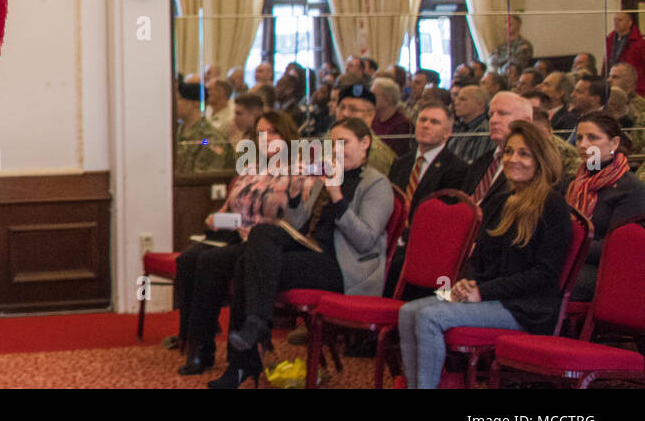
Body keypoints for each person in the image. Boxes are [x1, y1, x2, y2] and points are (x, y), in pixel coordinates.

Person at [211, 118, 393, 389]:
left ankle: (244, 359)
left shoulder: (376, 185)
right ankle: (255, 327)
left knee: (246, 264)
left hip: (343, 266)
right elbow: (297, 226)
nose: (336, 150)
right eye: (332, 144)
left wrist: (337, 198)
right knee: (259, 237)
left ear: (365, 143)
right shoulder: (327, 176)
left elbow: (365, 240)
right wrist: (295, 198)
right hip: (310, 250)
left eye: (343, 143)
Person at [396, 121, 572, 389]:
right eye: (510, 152)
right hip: (488, 294)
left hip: (524, 308)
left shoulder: (553, 205)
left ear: (541, 160)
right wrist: (467, 283)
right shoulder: (500, 198)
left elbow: (544, 274)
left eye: (524, 154)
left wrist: (482, 292)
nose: (513, 159)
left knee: (429, 317)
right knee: (408, 311)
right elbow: (477, 257)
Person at [173, 111, 314, 375]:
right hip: (236, 232)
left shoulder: (299, 169)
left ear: (287, 136)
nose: (266, 139)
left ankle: (211, 350)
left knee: (208, 261)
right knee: (190, 258)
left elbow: (288, 217)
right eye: (260, 134)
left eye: (273, 133)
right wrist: (220, 217)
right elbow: (234, 207)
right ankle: (198, 345)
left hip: (268, 243)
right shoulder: (252, 166)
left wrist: (244, 220)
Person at [385, 98, 469, 298]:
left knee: (396, 264)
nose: (425, 125)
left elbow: (444, 220)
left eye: (434, 122)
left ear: (447, 133)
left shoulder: (457, 169)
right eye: (422, 120)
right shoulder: (401, 164)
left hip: (423, 245)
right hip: (391, 238)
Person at [565, 112, 645, 301]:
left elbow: (615, 248)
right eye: (580, 137)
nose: (583, 144)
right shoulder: (572, 182)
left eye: (592, 137)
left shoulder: (630, 189)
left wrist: (563, 244)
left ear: (614, 143)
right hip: (569, 259)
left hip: (603, 272)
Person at [332, 84, 396, 175]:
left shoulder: (377, 156)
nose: (345, 113)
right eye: (341, 108)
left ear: (370, 115)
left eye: (353, 110)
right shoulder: (329, 140)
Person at [174, 79, 234, 174]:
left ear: (196, 103)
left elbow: (206, 176)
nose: (175, 103)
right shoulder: (178, 132)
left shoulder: (210, 138)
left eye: (180, 99)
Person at [605, 12, 645, 94]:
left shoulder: (640, 43)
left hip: (635, 87)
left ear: (629, 23)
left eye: (620, 20)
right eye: (615, 20)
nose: (616, 23)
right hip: (613, 84)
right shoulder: (610, 40)